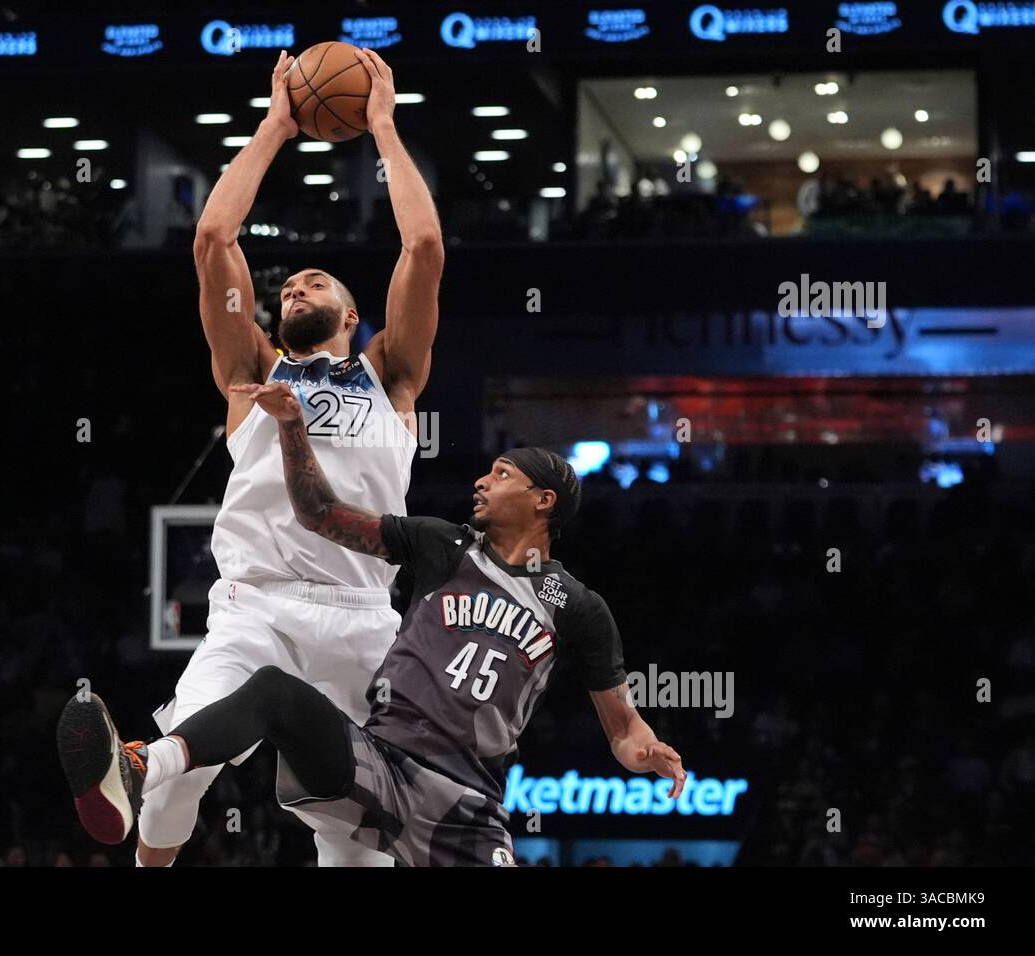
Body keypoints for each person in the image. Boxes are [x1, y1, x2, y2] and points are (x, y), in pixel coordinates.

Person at [59, 383, 687, 866]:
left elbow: (623, 727)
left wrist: (645, 751)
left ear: (543, 501)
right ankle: (144, 769)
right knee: (275, 690)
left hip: (466, 802)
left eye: (502, 475)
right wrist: (292, 427)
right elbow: (319, 513)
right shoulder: (444, 545)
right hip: (379, 764)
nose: (481, 479)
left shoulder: (576, 604)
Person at [87, 47, 443, 867]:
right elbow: (215, 237)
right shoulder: (251, 374)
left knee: (365, 835)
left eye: (317, 283)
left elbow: (423, 249)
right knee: (176, 776)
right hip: (257, 606)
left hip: (363, 619)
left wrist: (384, 127)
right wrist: (278, 123)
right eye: (289, 288)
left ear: (355, 316)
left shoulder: (391, 377)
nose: (297, 287)